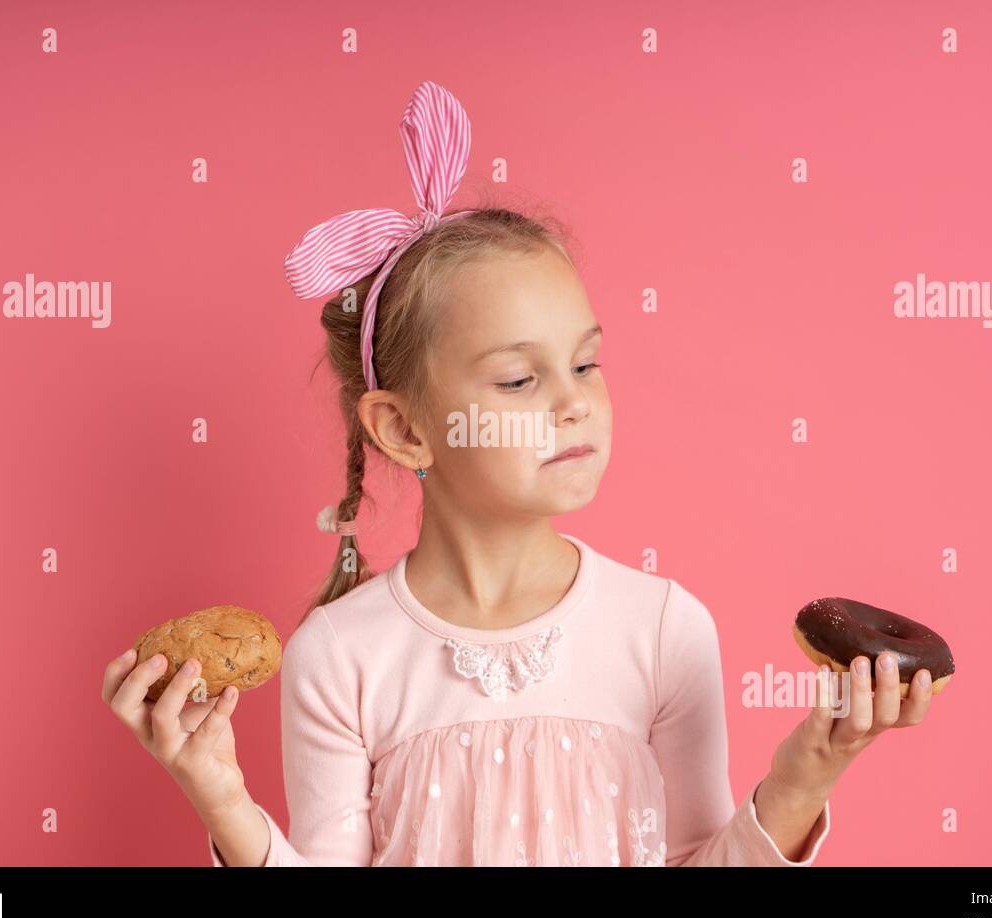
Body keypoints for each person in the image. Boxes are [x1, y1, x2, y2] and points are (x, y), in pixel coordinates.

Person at [102, 80, 937, 867]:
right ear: (403, 427)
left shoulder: (660, 631)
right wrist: (222, 798)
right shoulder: (341, 657)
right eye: (518, 380)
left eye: (586, 364)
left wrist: (802, 780)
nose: (574, 404)